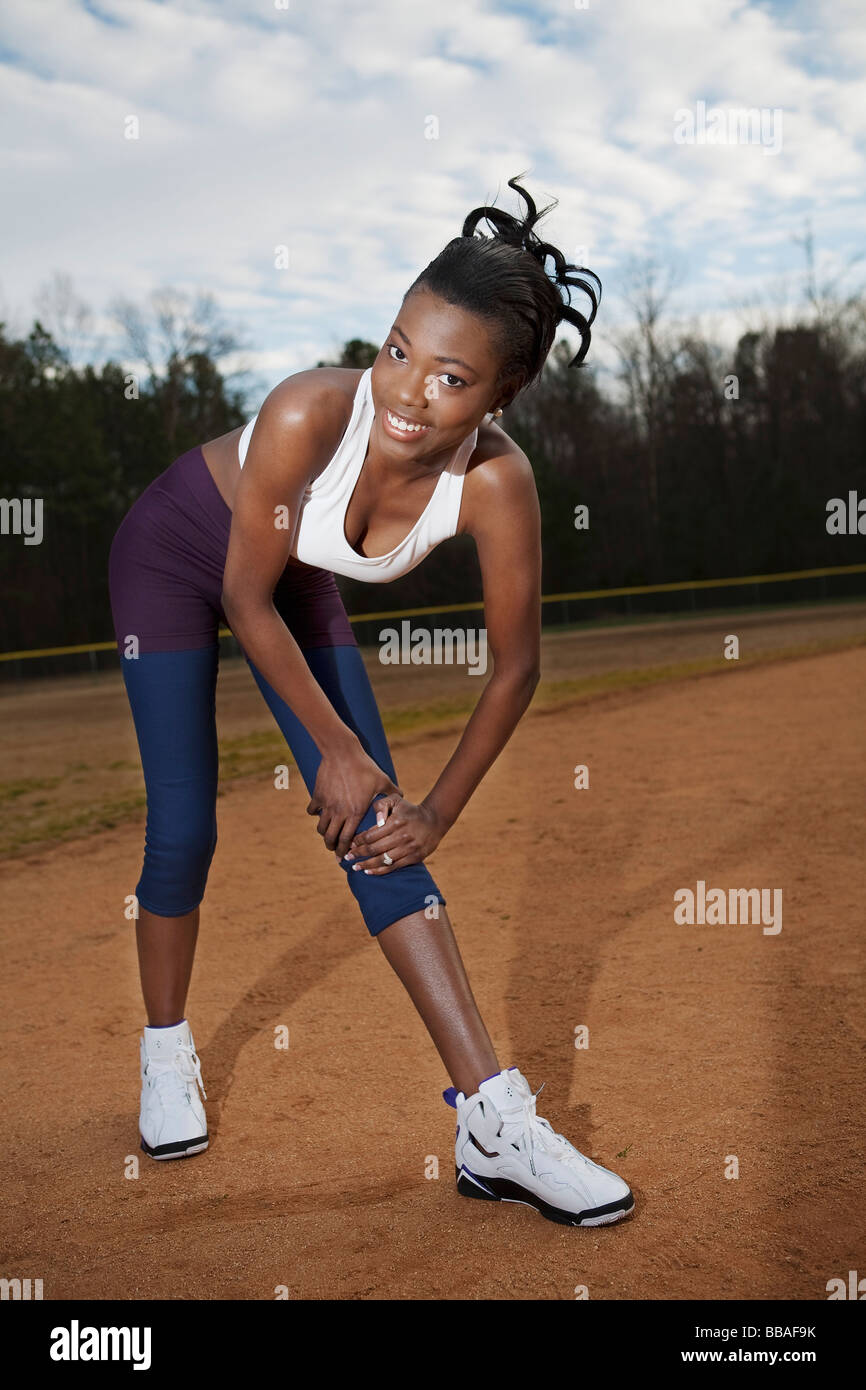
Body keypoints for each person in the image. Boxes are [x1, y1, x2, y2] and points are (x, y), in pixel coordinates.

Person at [108, 174, 634, 1228]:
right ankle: (165, 1053)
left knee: (381, 829)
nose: (404, 393)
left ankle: (491, 1121)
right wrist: (338, 744)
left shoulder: (497, 484)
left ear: (499, 396)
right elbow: (239, 594)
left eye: (448, 377)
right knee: (185, 826)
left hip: (283, 577)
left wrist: (433, 807)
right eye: (398, 348)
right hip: (177, 554)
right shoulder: (308, 410)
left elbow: (515, 667)